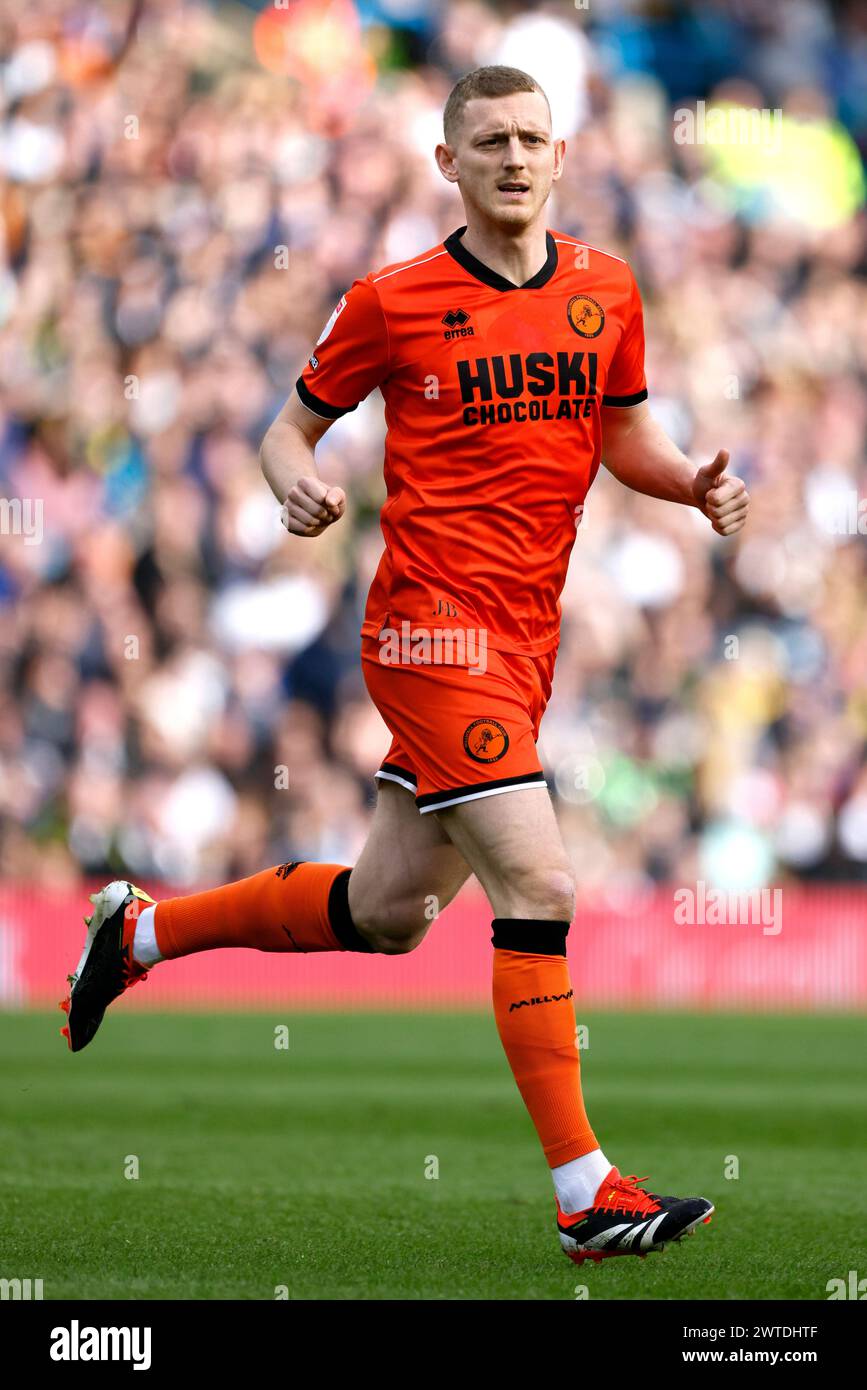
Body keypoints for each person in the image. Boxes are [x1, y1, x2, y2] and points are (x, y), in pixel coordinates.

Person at [61, 65, 749, 1265]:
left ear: (562, 152)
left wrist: (689, 481)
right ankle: (587, 1191)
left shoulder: (607, 290)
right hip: (428, 636)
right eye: (490, 141)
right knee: (540, 888)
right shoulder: (393, 300)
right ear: (449, 163)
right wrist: (297, 487)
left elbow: (625, 431)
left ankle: (142, 934)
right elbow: (286, 429)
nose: (515, 158)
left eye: (533, 138)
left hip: (525, 644)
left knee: (390, 914)